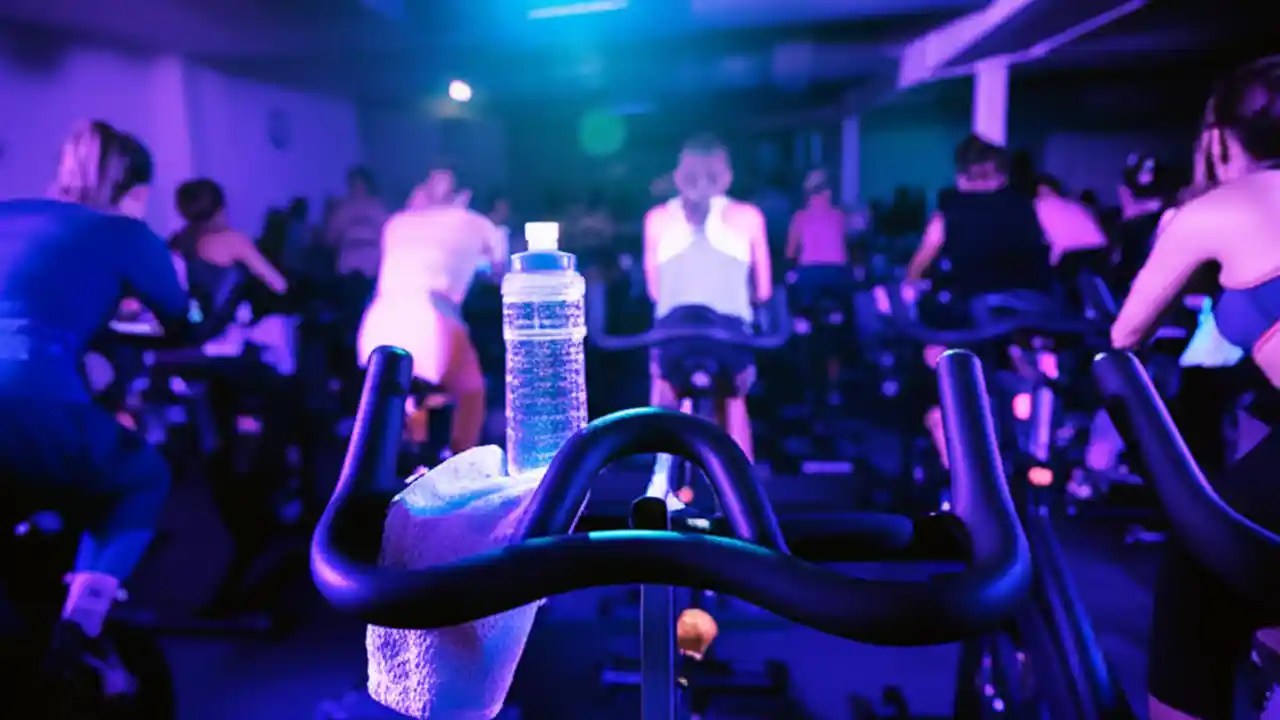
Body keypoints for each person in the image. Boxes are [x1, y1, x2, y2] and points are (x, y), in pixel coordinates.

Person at [1110, 55, 1280, 720]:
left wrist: (1180, 230)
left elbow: (1127, 335)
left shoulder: (1218, 208)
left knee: (1200, 573)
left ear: (1218, 135)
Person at [0, 121, 194, 657]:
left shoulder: (7, 213)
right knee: (140, 475)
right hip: (27, 398)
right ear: (133, 189)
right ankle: (79, 633)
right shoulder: (123, 231)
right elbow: (179, 320)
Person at [905, 134, 1059, 466]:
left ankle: (956, 463)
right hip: (1032, 313)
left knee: (938, 367)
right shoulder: (1029, 204)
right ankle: (1041, 448)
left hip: (972, 317)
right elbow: (1075, 241)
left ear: (962, 175)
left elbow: (919, 266)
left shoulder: (950, 212)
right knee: (1042, 373)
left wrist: (913, 282)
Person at [357, 165, 505, 455]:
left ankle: (412, 463)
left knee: (404, 403)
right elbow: (501, 273)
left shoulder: (396, 222)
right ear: (464, 196)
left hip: (377, 323)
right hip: (432, 319)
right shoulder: (475, 223)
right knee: (470, 393)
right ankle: (462, 471)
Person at [644, 134, 772, 462]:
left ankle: (661, 482)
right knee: (733, 399)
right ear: (726, 176)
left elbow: (654, 291)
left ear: (678, 176)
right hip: (727, 335)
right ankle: (742, 487)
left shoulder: (656, 219)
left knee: (663, 392)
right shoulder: (749, 216)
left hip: (676, 334)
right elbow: (764, 291)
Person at [786, 169, 850, 404]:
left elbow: (790, 252)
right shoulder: (839, 216)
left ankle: (806, 385)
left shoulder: (800, 217)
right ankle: (835, 388)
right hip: (837, 278)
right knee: (836, 333)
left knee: (803, 328)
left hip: (810, 277)